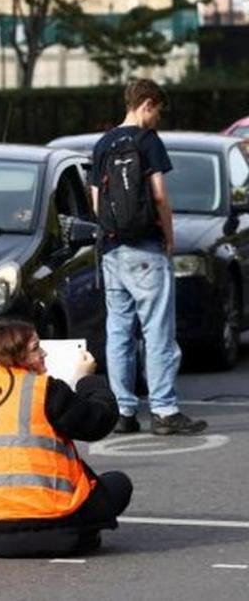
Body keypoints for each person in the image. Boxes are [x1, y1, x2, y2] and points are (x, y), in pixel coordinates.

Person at [0, 318, 132, 558]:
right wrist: (86, 380)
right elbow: (98, 422)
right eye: (36, 348)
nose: (44, 353)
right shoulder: (44, 389)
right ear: (15, 355)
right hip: (43, 521)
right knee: (118, 484)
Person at [89, 78, 206, 435]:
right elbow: (158, 195)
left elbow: (95, 200)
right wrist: (168, 238)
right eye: (158, 112)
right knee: (157, 330)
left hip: (111, 250)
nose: (158, 120)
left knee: (119, 331)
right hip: (146, 250)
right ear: (148, 104)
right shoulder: (147, 142)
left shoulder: (103, 144)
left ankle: (124, 411)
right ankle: (165, 410)